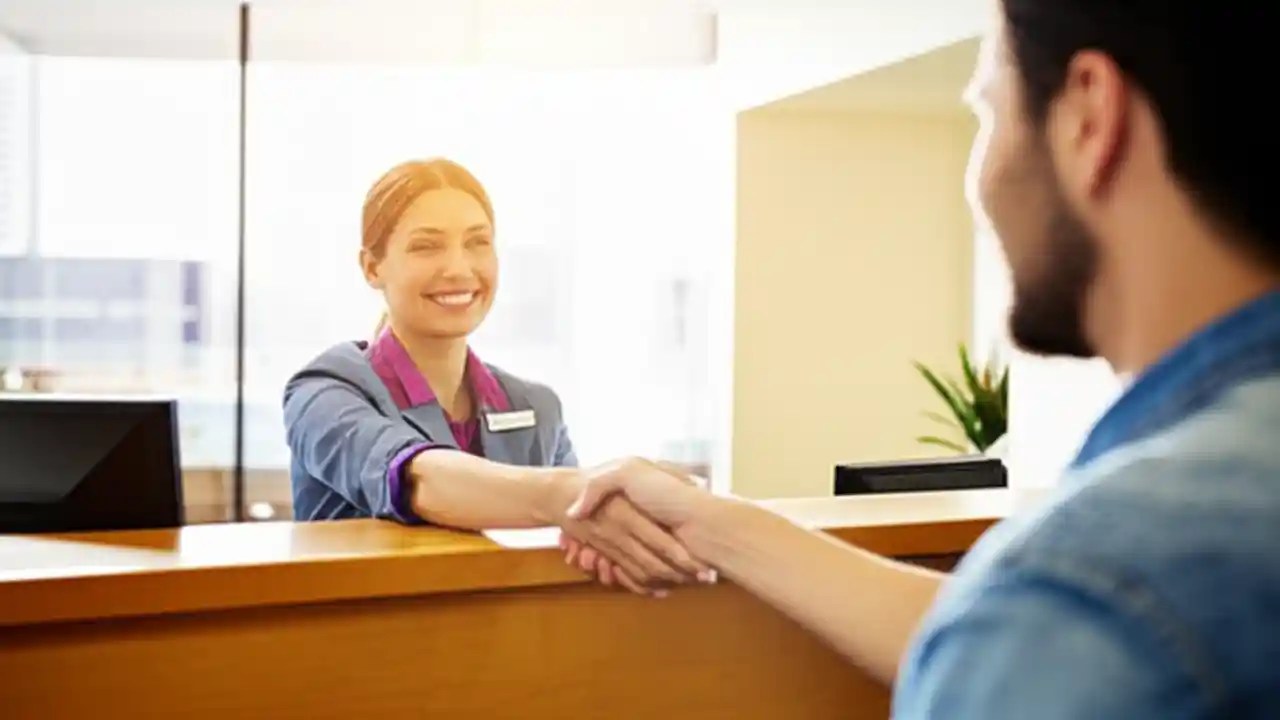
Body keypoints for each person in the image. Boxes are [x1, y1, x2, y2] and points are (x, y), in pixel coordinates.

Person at [568, 1, 1280, 716]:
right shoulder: (1094, 604)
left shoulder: (1090, 591)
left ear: (1089, 118)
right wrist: (711, 522)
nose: (980, 181)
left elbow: (1049, 629)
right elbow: (1004, 633)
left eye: (987, 113)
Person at [283, 158, 709, 596]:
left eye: (477, 242)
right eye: (427, 246)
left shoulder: (535, 406)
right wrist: (573, 494)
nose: (459, 268)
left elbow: (577, 539)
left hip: (508, 646)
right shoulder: (324, 391)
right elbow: (415, 478)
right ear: (372, 267)